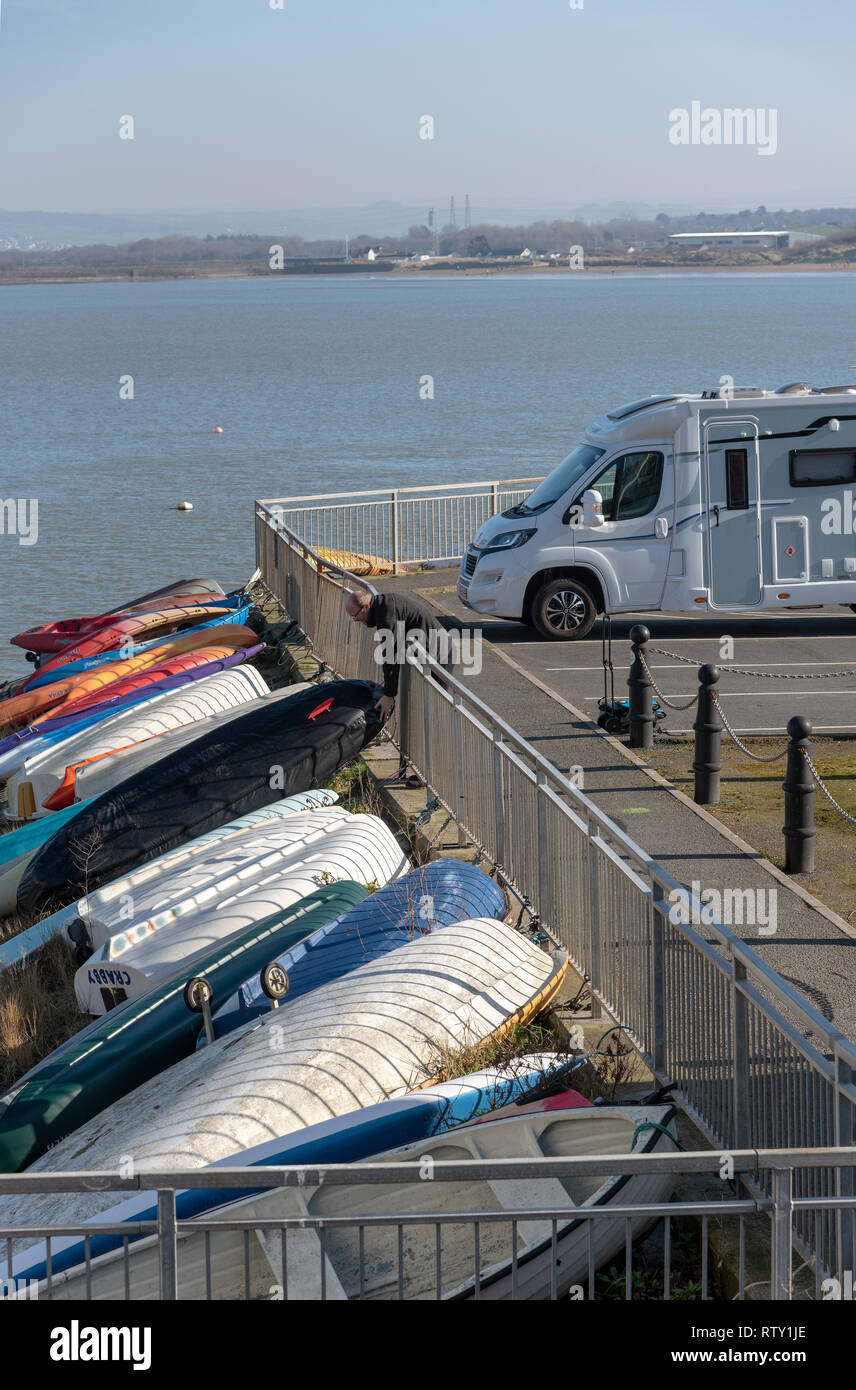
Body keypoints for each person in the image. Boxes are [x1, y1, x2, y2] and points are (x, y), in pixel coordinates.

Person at [345, 585, 448, 718]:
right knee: (425, 702)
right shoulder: (382, 605)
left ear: (366, 607)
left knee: (436, 705)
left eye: (355, 616)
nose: (355, 621)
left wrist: (388, 695)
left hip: (440, 651)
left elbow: (390, 655)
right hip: (430, 647)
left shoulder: (386, 615)